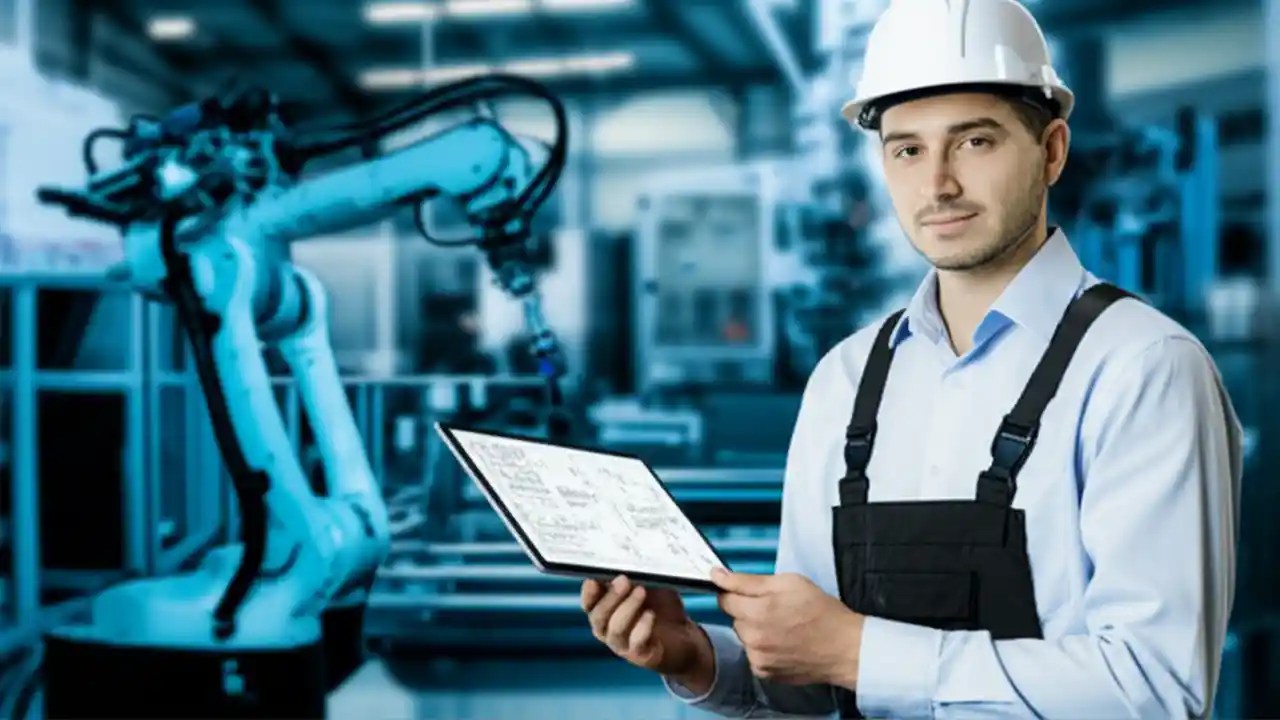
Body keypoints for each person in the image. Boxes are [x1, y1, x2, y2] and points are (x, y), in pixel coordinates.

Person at [579, 0, 1243, 717]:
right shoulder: (845, 379)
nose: (938, 185)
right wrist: (700, 657)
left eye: (975, 142)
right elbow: (815, 672)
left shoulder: (1143, 369)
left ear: (1052, 151)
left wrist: (857, 649)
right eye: (908, 149)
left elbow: (1155, 690)